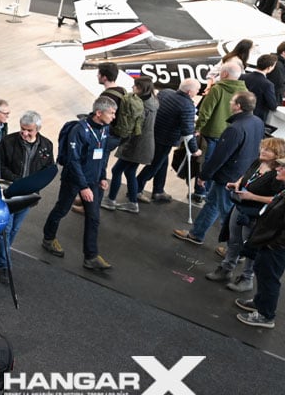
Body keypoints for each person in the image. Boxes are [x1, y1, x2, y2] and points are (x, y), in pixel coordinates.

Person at [173, 91, 264, 246]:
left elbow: (220, 156)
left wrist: (204, 175)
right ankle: (196, 234)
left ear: (238, 106)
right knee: (212, 204)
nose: (230, 104)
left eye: (232, 102)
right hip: (241, 172)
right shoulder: (257, 122)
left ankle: (234, 249)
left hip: (228, 177)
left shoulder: (234, 129)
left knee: (226, 214)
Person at [42, 98, 118, 270]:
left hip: (93, 180)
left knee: (94, 217)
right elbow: (73, 160)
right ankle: (48, 238)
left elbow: (103, 154)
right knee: (62, 209)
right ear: (99, 113)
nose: (114, 117)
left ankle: (91, 256)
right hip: (74, 179)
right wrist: (83, 187)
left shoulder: (105, 128)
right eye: (111, 113)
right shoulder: (79, 130)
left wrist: (103, 177)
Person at [206, 138, 285, 293]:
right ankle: (226, 268)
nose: (262, 151)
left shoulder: (278, 175)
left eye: (268, 150)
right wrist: (237, 183)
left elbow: (276, 200)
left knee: (249, 248)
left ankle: (246, 278)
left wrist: (252, 197)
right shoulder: (258, 162)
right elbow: (246, 175)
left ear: (277, 154)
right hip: (240, 207)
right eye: (262, 147)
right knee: (233, 240)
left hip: (257, 215)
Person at [0, 111, 55, 283]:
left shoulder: (47, 145)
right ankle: (5, 264)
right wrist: (19, 182)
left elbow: (48, 169)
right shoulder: (8, 141)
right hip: (9, 193)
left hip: (28, 197)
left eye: (29, 130)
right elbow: (0, 166)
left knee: (14, 229)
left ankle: (3, 252)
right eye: (22, 129)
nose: (24, 133)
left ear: (37, 129)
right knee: (5, 231)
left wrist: (33, 187)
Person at [234, 163, 285, 328]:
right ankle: (260, 303)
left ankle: (265, 315)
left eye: (283, 168)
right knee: (262, 274)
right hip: (269, 241)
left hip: (276, 247)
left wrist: (272, 244)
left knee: (269, 279)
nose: (278, 169)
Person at [136, 79, 202, 203]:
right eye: (197, 90)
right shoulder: (187, 106)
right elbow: (187, 132)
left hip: (153, 133)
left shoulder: (165, 92)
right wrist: (195, 150)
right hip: (166, 139)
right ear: (189, 92)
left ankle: (158, 190)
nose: (198, 92)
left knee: (162, 163)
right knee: (154, 166)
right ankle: (136, 189)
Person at [103, 76, 158, 214]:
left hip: (135, 145)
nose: (132, 88)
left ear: (141, 88)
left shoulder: (139, 105)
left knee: (116, 170)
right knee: (130, 171)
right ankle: (133, 202)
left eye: (135, 86)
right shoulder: (154, 101)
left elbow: (132, 126)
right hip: (146, 144)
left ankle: (111, 200)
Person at [195, 61, 249, 199]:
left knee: (207, 163)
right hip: (231, 134)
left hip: (212, 132)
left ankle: (201, 192)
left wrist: (198, 128)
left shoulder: (217, 89)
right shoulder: (245, 91)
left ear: (224, 73)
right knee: (220, 163)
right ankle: (211, 193)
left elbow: (205, 112)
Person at [244, 55, 278, 123]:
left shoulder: (243, 76)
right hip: (256, 117)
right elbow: (272, 105)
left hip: (240, 114)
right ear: (269, 68)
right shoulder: (268, 84)